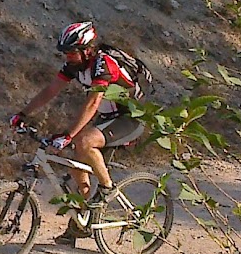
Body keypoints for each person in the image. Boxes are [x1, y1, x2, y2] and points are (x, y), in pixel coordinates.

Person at [9, 21, 145, 240]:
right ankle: (79, 225)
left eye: (71, 53)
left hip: (129, 118)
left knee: (83, 141)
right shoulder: (76, 65)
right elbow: (50, 90)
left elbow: (92, 103)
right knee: (77, 168)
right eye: (65, 53)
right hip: (107, 117)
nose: (67, 57)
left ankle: (108, 189)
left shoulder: (104, 64)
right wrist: (23, 113)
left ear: (87, 50)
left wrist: (69, 134)